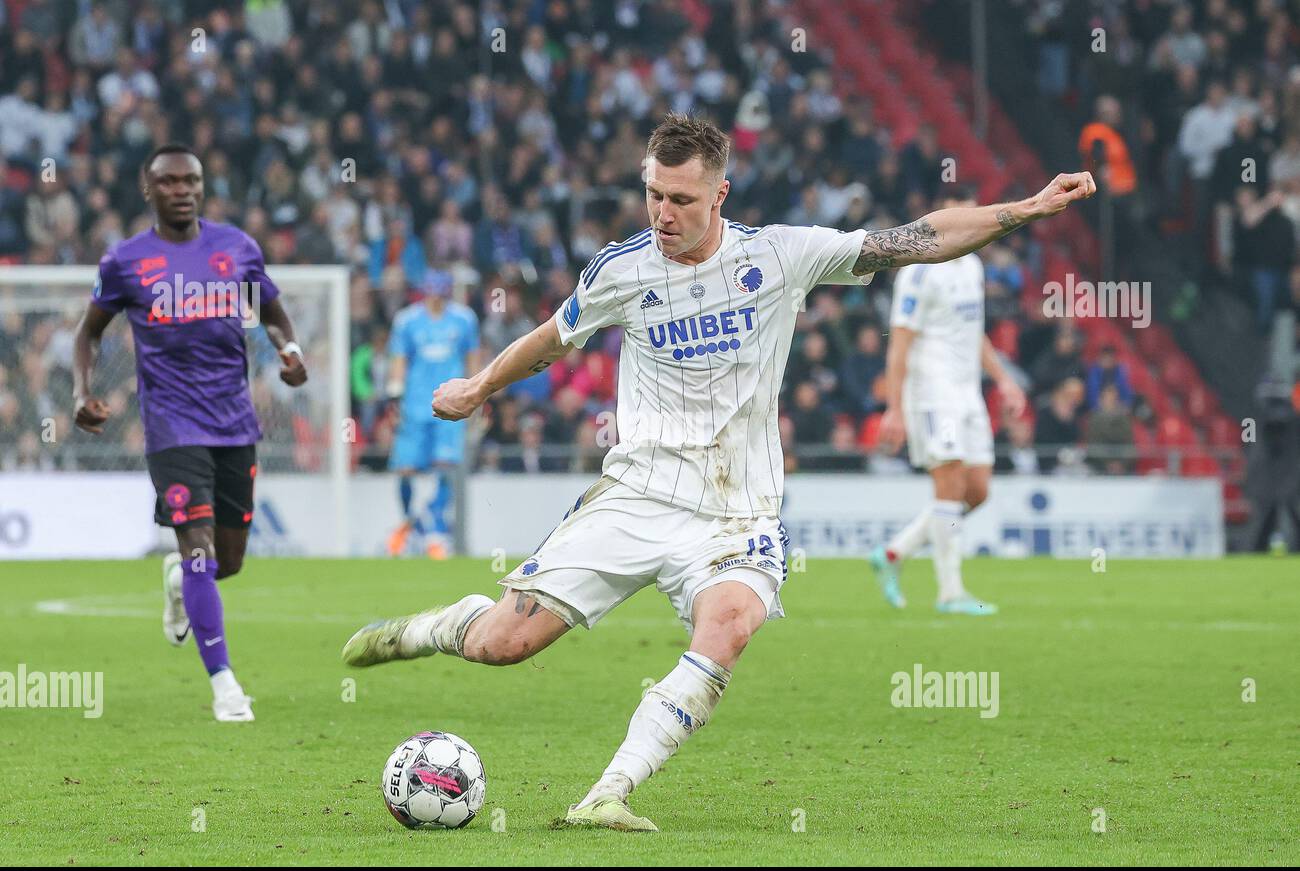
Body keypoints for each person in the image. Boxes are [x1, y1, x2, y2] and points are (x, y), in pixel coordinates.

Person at [342, 113, 1094, 830]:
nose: (662, 213)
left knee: (731, 623)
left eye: (680, 199)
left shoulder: (780, 256)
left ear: (719, 195)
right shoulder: (623, 269)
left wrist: (1024, 210)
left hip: (738, 512)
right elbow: (551, 338)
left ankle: (606, 795)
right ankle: (427, 629)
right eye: (652, 194)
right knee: (502, 644)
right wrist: (479, 388)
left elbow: (919, 239)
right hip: (636, 494)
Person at [73, 143, 308, 722]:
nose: (182, 189)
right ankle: (225, 684)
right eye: (170, 181)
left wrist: (290, 349)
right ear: (148, 189)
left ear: (202, 187)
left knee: (225, 562)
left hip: (234, 422)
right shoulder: (126, 261)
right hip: (171, 428)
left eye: (192, 180)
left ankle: (180, 581)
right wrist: (81, 392)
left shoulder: (237, 248)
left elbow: (272, 311)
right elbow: (88, 334)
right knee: (199, 549)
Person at [867, 189, 1027, 615]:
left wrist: (1004, 381)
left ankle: (894, 552)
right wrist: (895, 408)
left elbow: (974, 334)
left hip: (967, 390)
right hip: (932, 390)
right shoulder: (918, 270)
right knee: (950, 483)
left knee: (977, 491)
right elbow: (899, 343)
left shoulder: (973, 265)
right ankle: (951, 593)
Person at [385, 270, 482, 558]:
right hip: (415, 404)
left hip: (450, 405)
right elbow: (399, 360)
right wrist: (394, 395)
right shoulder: (407, 320)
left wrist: (477, 395)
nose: (436, 294)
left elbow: (472, 359)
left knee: (445, 467)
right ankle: (407, 521)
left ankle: (436, 532)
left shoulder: (464, 319)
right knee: (405, 470)